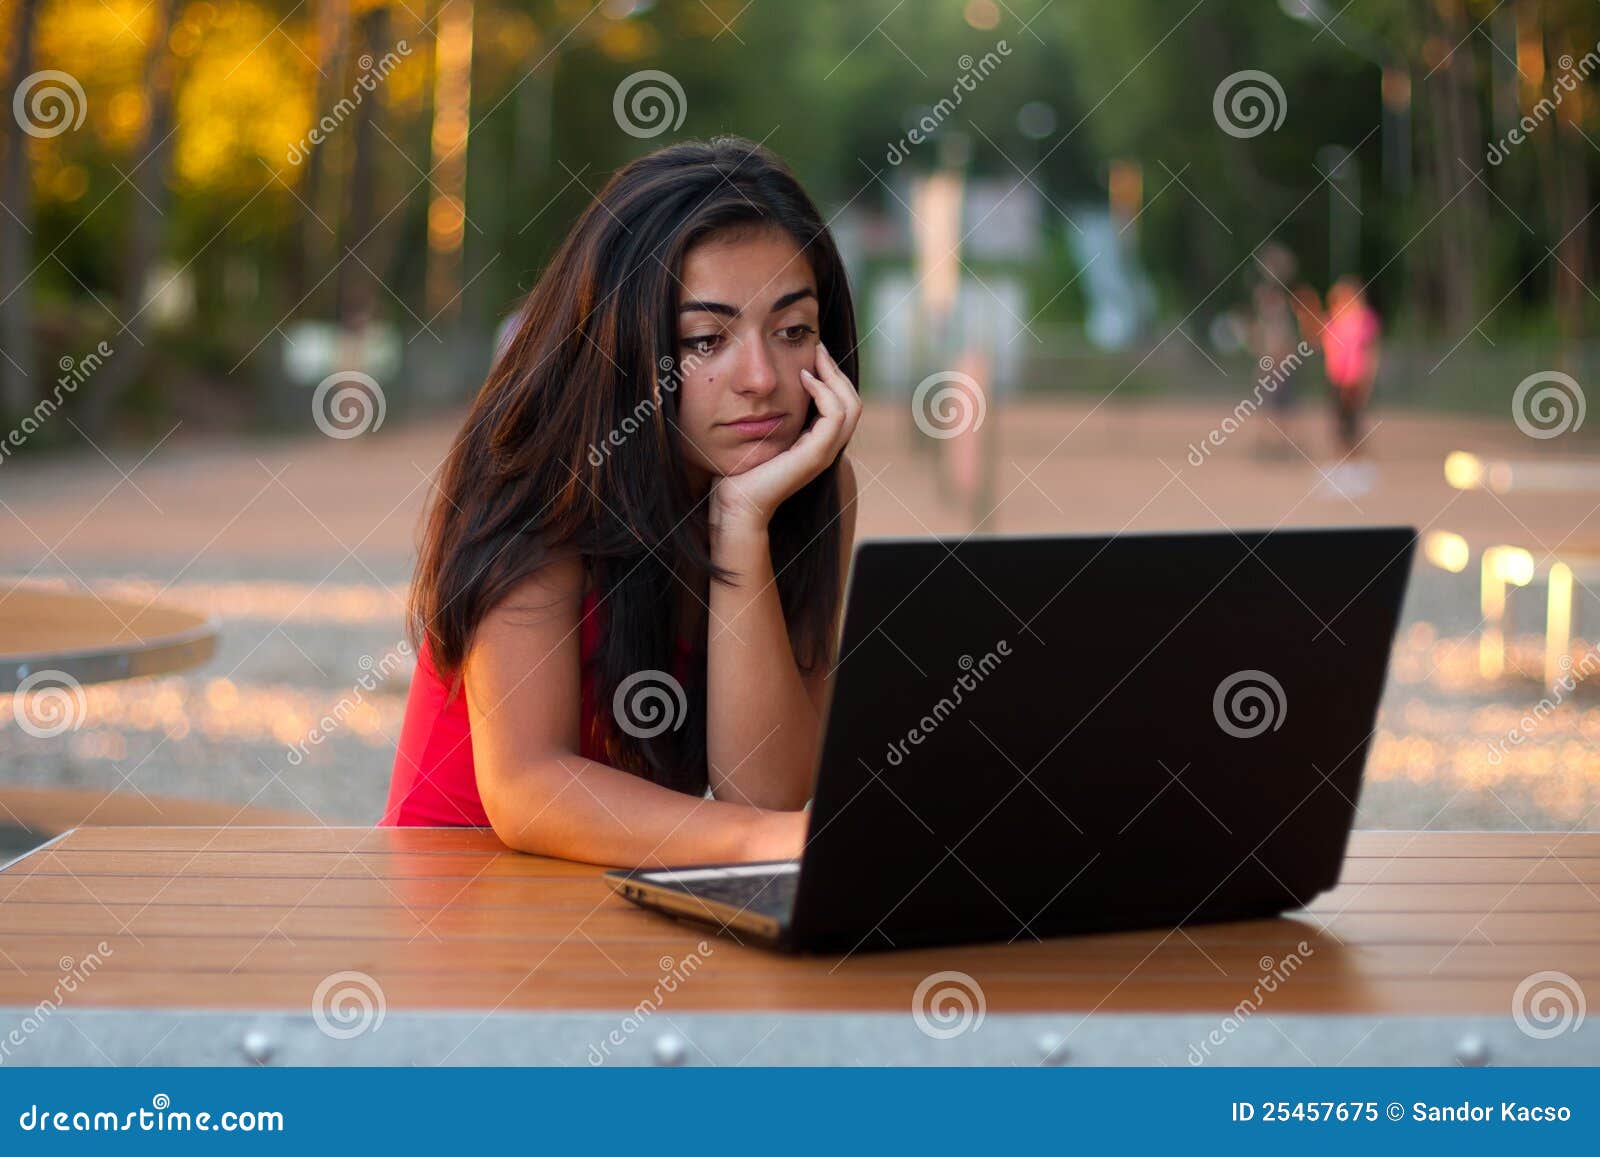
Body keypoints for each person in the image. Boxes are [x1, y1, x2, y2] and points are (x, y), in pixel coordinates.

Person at [379, 137, 863, 869]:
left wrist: (741, 526)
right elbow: (526, 787)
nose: (761, 377)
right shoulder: (543, 480)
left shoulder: (805, 488)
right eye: (706, 340)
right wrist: (767, 842)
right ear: (624, 345)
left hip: (623, 905)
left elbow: (764, 790)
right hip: (461, 907)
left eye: (793, 331)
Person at [1319, 276, 1380, 457]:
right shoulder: (1332, 319)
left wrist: (1368, 376)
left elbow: (1371, 350)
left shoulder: (1365, 319)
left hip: (1356, 376)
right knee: (1339, 418)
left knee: (1354, 417)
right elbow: (1328, 347)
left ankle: (1354, 454)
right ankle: (1342, 453)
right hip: (1337, 376)